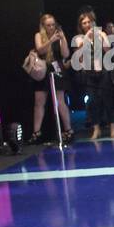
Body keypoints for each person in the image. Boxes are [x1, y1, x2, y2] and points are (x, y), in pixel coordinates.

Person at [71, 12, 114, 140]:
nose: (87, 25)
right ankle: (96, 129)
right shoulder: (79, 38)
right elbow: (77, 56)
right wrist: (86, 39)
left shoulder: (101, 34)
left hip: (103, 70)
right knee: (93, 101)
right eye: (84, 23)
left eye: (88, 22)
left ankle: (112, 127)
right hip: (88, 72)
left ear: (93, 22)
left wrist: (100, 37)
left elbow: (108, 51)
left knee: (107, 99)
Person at [31, 14, 74, 143]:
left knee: (60, 101)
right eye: (48, 25)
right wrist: (50, 40)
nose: (51, 27)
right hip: (42, 70)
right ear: (43, 26)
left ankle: (68, 130)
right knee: (39, 102)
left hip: (57, 69)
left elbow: (65, 54)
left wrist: (62, 39)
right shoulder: (39, 35)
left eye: (52, 24)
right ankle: (36, 132)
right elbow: (40, 50)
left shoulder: (59, 34)